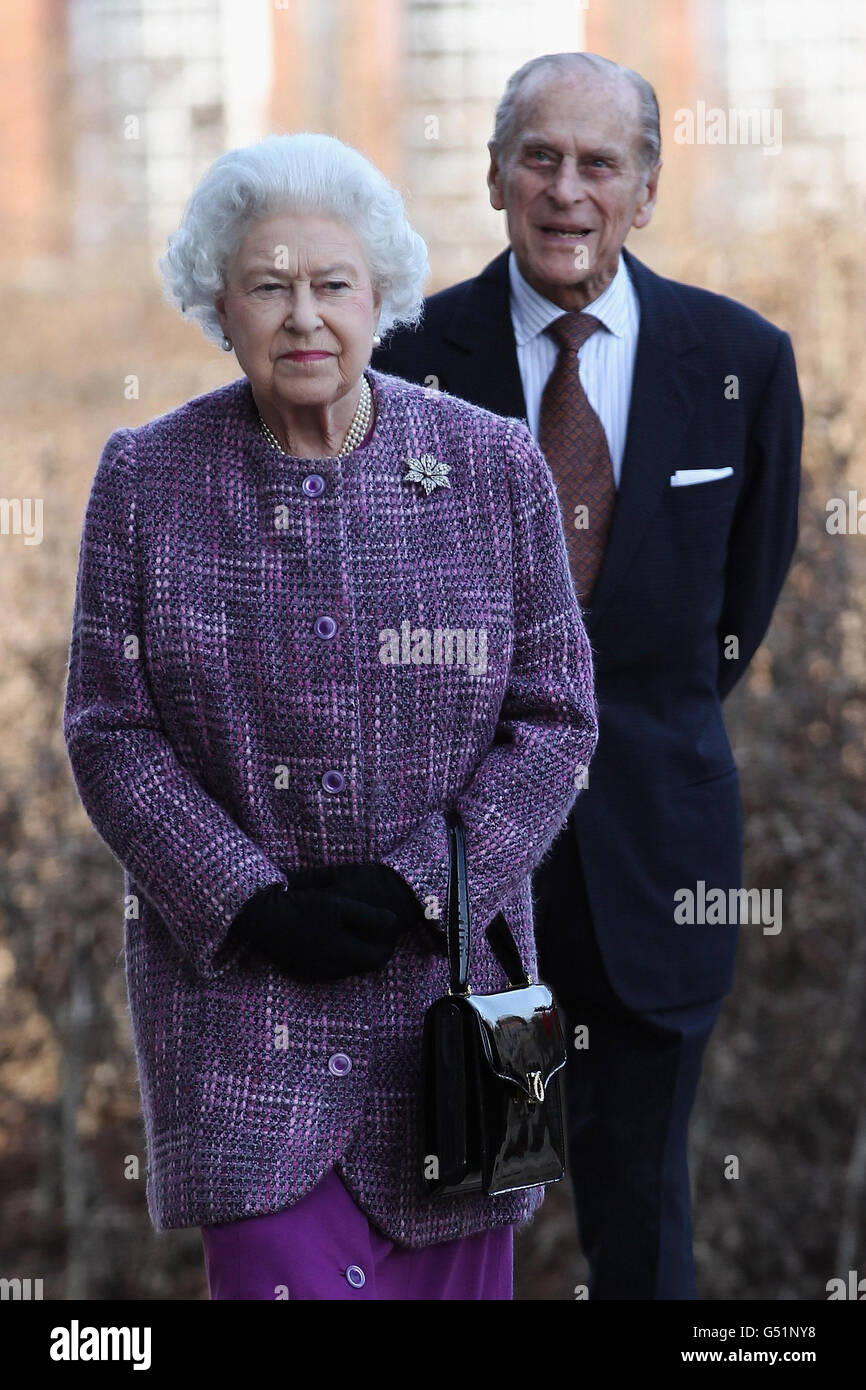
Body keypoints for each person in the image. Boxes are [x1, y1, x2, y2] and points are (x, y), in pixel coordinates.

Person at [62, 131, 598, 1301]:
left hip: (454, 1026)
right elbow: (109, 728)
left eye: (331, 284)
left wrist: (422, 882)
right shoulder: (145, 478)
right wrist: (243, 897)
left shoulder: (493, 465)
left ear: (380, 298)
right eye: (268, 285)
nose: (303, 315)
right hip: (245, 1020)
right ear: (221, 303)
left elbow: (555, 723)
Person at [372, 52, 803, 1299]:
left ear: (646, 187)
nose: (567, 190)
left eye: (598, 163)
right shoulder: (402, 361)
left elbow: (738, 607)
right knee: (454, 1207)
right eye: (540, 158)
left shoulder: (738, 360)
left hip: (654, 867)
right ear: (496, 173)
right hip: (457, 875)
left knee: (641, 1222)